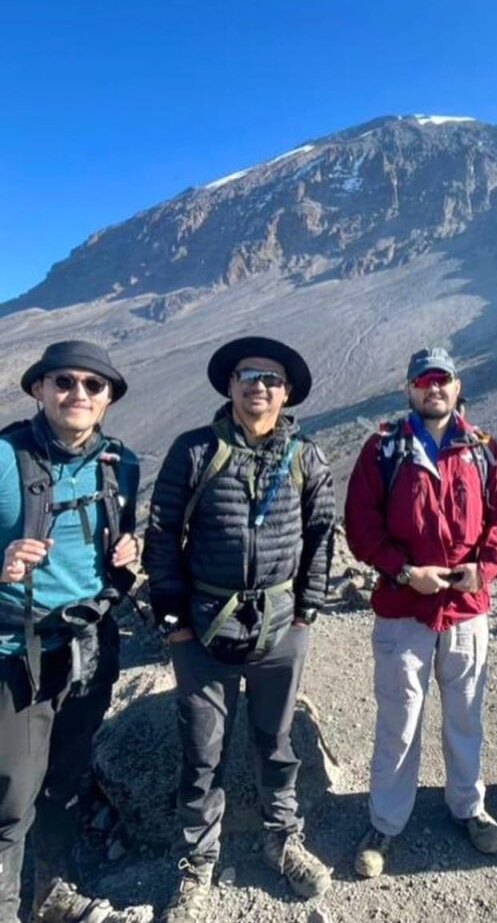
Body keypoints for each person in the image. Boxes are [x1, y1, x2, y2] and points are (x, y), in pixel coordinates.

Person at [143, 337, 335, 921]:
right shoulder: (195, 450)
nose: (259, 385)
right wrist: (173, 620)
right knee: (202, 750)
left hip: (280, 627)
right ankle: (197, 862)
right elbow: (161, 532)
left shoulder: (306, 456)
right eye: (248, 375)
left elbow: (321, 535)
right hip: (203, 627)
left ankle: (282, 839)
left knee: (277, 741)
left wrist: (306, 612)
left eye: (271, 378)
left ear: (287, 392)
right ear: (230, 385)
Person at [345, 346, 497, 878]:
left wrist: (485, 569)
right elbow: (361, 525)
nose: (434, 388)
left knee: (466, 715)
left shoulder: (482, 449)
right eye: (424, 380)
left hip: (466, 608)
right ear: (409, 389)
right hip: (404, 607)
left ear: (457, 387)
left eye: (443, 379)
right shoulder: (383, 449)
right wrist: (404, 572)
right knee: (398, 720)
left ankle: (468, 807)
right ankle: (386, 822)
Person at [0, 340, 140, 923]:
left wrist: (129, 552)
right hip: (17, 652)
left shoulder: (121, 463)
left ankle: (51, 894)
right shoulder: (4, 459)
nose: (78, 393)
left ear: (108, 399)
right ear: (38, 388)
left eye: (93, 385)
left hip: (89, 646)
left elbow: (116, 543)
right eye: (64, 381)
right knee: (11, 797)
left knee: (66, 779)